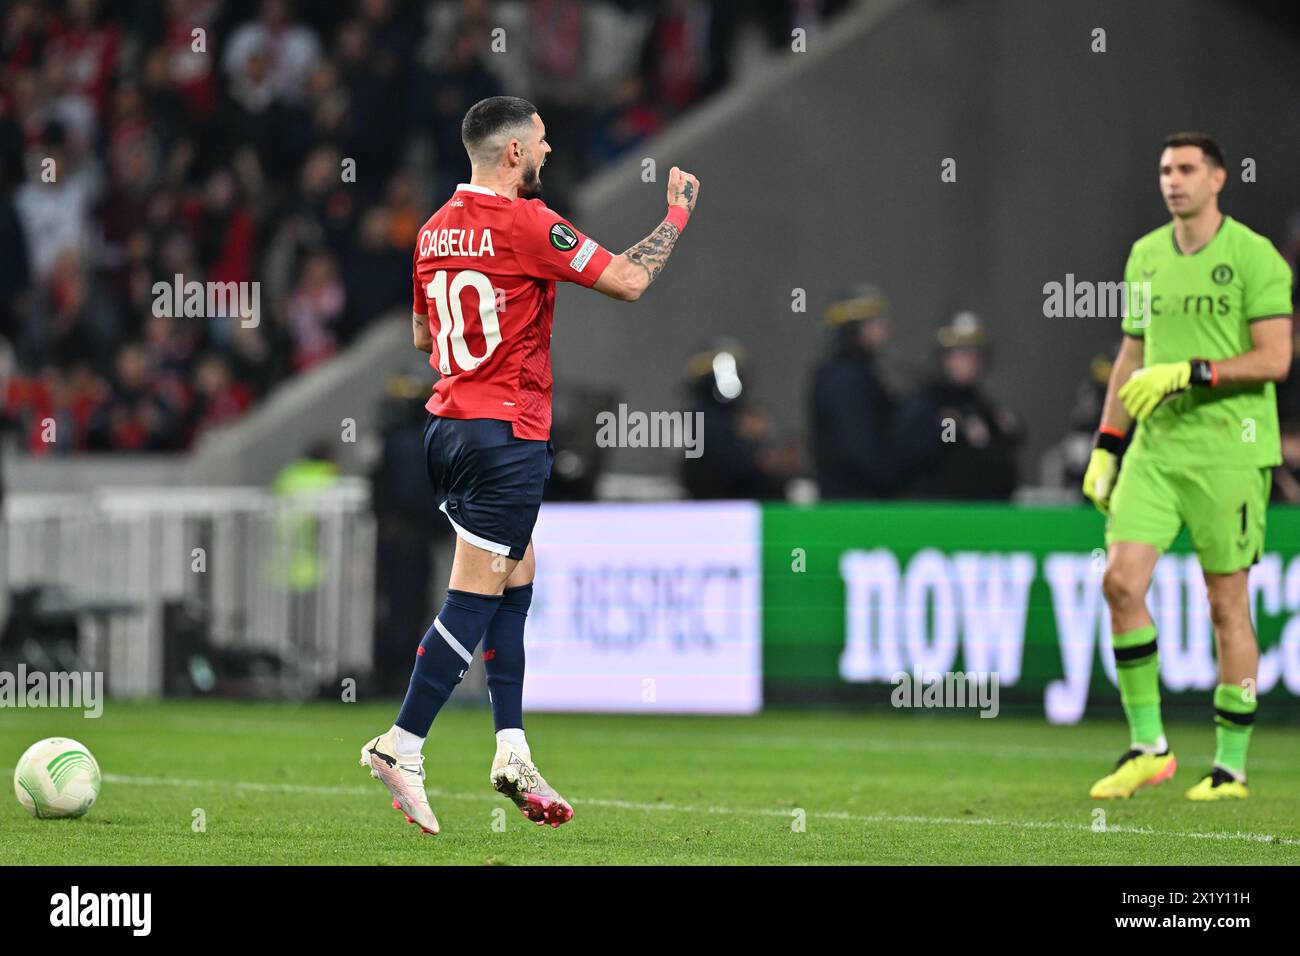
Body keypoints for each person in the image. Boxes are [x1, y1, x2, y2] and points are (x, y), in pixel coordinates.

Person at [359, 95, 699, 834]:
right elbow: (630, 281)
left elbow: (425, 335)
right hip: (504, 434)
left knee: (517, 573)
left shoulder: (431, 231)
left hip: (448, 428)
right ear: (513, 152)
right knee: (474, 597)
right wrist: (675, 217)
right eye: (540, 143)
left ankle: (511, 746)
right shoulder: (527, 224)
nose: (546, 153)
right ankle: (401, 742)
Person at [1082, 132, 1293, 801]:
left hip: (1229, 451)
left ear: (1218, 179)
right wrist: (1108, 443)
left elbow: (1275, 359)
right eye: (1165, 169)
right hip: (1156, 451)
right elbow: (1130, 354)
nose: (1172, 180)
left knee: (1226, 604)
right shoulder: (1146, 255)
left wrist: (1192, 372)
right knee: (1119, 583)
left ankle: (1230, 765)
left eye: (1186, 170)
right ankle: (1150, 747)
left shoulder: (1254, 257)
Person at [894, 312, 1023, 499]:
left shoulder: (980, 403)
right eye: (963, 354)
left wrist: (1006, 430)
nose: (971, 362)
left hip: (983, 511)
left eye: (977, 355)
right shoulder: (926, 402)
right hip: (939, 512)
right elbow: (917, 455)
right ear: (945, 359)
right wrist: (955, 429)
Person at [810, 284, 901, 499]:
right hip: (855, 503)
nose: (886, 329)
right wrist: (896, 475)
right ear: (857, 329)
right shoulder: (846, 379)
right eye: (877, 322)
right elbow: (859, 449)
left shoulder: (849, 373)